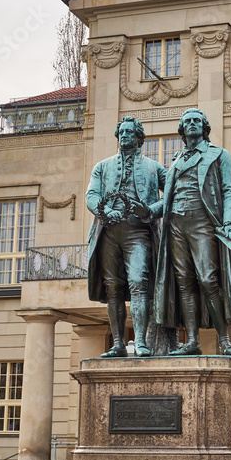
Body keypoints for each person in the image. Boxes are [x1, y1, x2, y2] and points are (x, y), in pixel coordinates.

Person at [154, 108, 231, 356]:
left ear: (205, 127)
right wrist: (148, 211)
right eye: (187, 121)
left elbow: (230, 190)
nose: (192, 124)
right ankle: (192, 341)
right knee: (184, 282)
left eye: (197, 121)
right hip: (176, 225)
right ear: (182, 130)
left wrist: (230, 221)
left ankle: (224, 340)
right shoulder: (176, 160)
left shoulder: (218, 154)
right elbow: (167, 199)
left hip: (203, 223)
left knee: (207, 279)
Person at [86, 116, 167, 357]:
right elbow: (91, 195)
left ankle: (140, 342)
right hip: (108, 233)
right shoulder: (102, 167)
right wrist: (104, 211)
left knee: (139, 282)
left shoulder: (154, 167)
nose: (124, 136)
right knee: (113, 288)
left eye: (129, 132)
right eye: (121, 132)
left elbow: (172, 195)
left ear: (139, 137)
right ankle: (118, 344)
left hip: (138, 232)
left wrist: (150, 210)